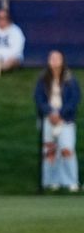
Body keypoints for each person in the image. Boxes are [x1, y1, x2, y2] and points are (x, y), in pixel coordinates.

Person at [35, 50, 80, 192]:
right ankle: (51, 181)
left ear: (62, 60)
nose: (54, 61)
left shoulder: (70, 80)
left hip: (65, 119)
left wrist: (60, 113)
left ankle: (71, 181)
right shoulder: (43, 80)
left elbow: (74, 99)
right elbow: (39, 98)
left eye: (57, 58)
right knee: (50, 151)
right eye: (52, 58)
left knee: (67, 149)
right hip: (49, 119)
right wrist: (49, 112)